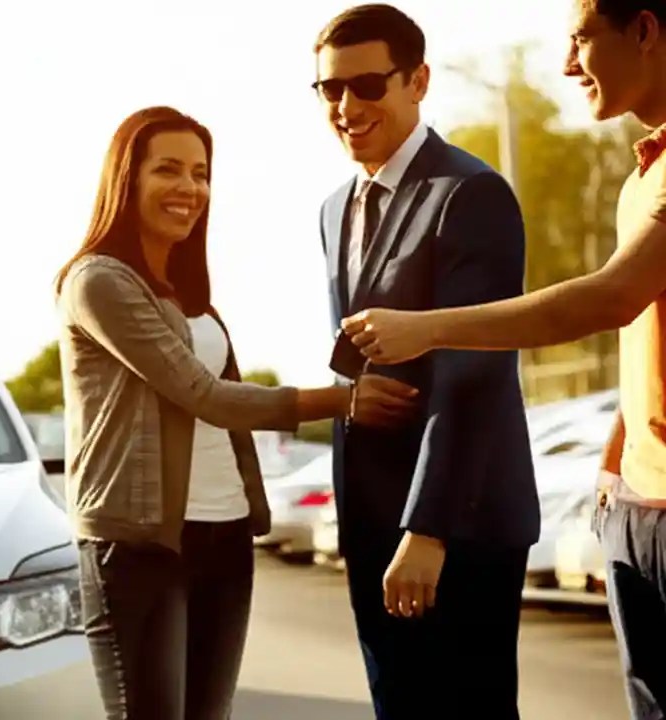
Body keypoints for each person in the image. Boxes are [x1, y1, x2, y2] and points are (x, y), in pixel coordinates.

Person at [339, 2, 666, 716]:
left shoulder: (472, 190)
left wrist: (428, 328)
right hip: (639, 510)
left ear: (643, 30)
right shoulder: (641, 177)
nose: (566, 65)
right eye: (327, 89)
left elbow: (605, 299)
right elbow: (641, 333)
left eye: (580, 40)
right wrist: (615, 464)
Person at [53, 104, 419, 720]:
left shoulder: (193, 298)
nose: (189, 188)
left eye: (200, 173)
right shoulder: (98, 282)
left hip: (222, 534)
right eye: (167, 170)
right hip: (139, 542)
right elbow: (203, 394)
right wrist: (339, 401)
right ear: (126, 180)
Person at [309, 5, 541, 718]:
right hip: (371, 519)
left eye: (368, 85)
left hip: (455, 526)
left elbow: (475, 373)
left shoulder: (470, 194)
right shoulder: (332, 208)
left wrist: (427, 529)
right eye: (329, 90)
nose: (347, 107)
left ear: (418, 81)